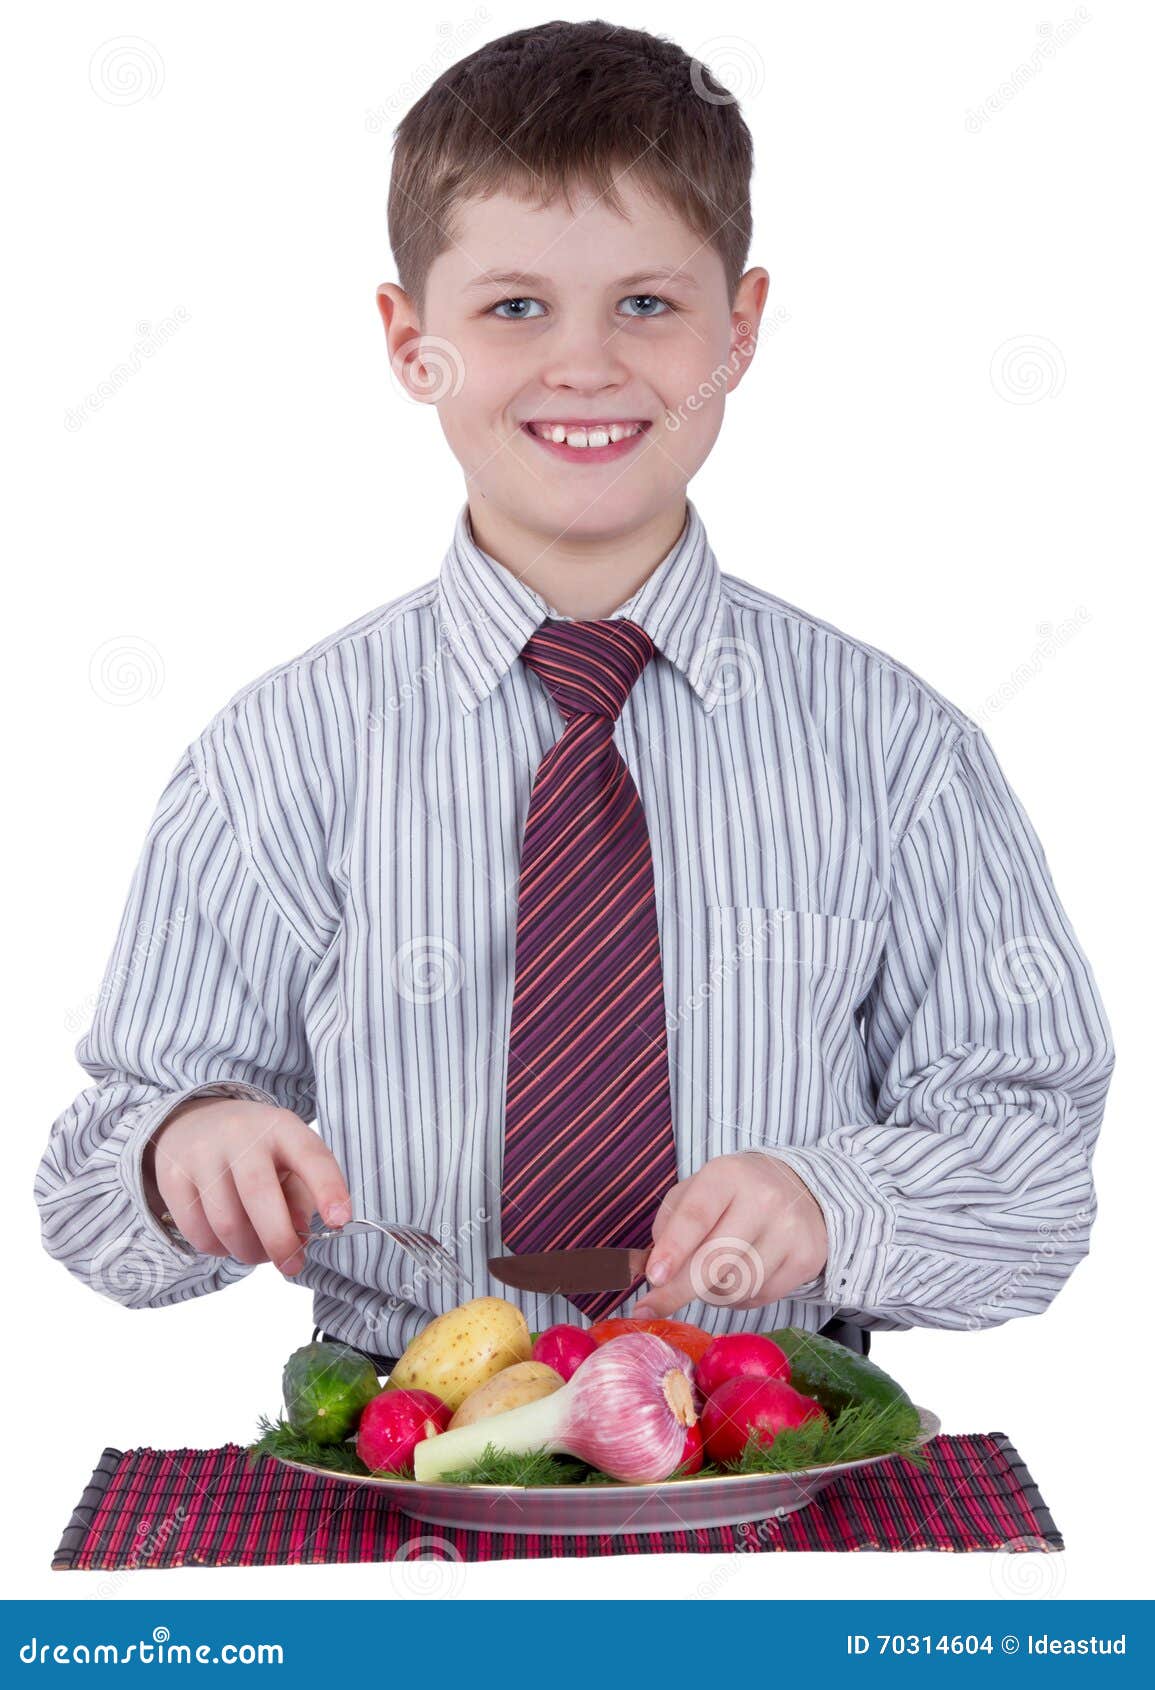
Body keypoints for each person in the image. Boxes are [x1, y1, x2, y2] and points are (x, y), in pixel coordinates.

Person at [35, 21, 1114, 1375]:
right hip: (401, 1433)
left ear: (744, 326)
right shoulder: (279, 758)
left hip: (775, 1427)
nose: (588, 365)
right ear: (408, 338)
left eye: (649, 305)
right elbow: (89, 1197)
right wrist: (181, 1144)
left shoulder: (899, 752)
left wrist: (839, 1196)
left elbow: (1038, 1181)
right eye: (514, 307)